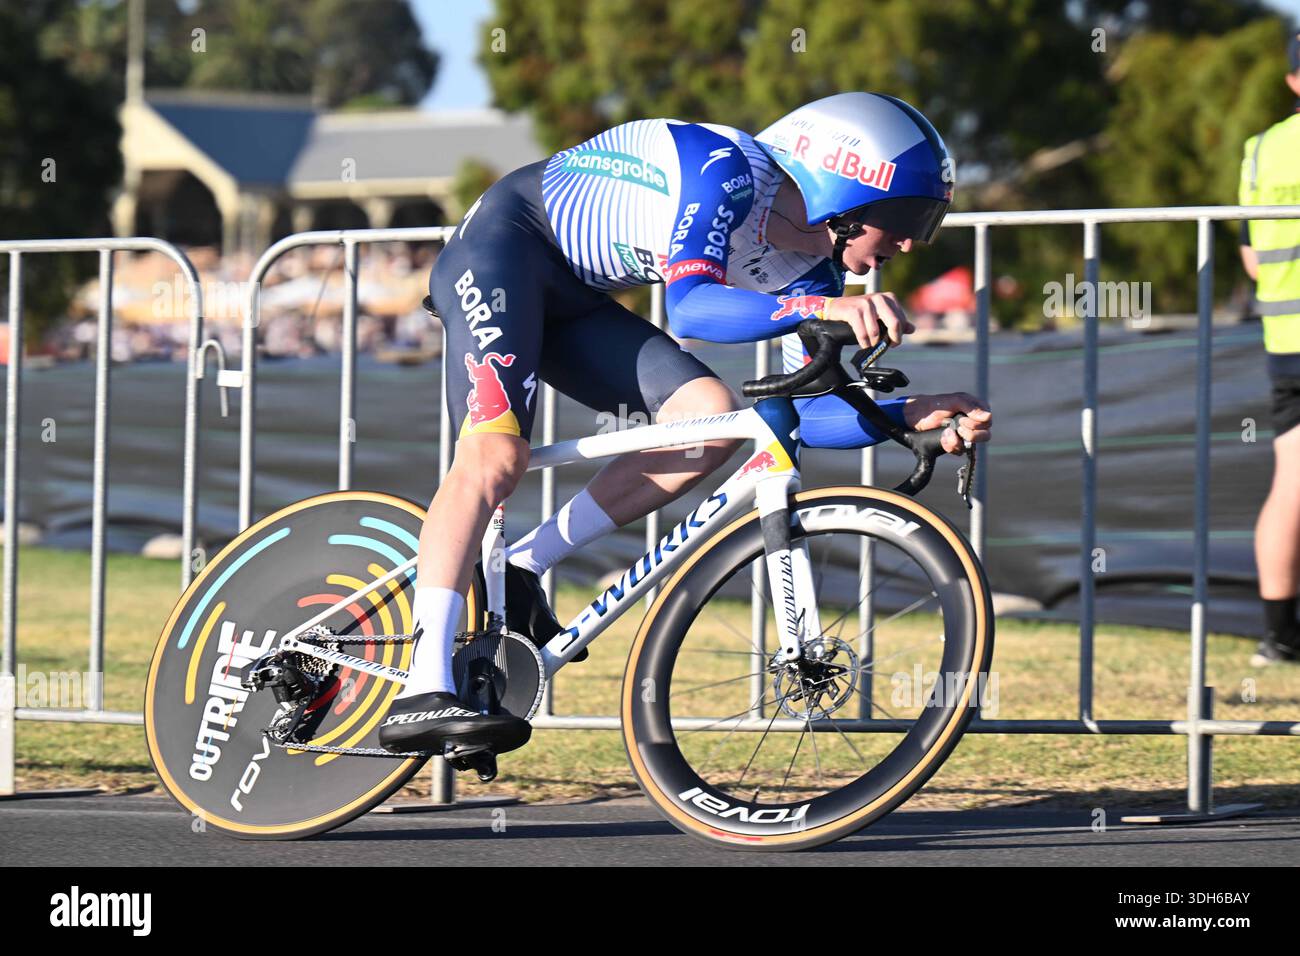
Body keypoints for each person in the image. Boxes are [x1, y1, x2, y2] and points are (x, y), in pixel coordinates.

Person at [380, 92, 993, 755]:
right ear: (845, 184)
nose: (909, 242)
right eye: (905, 217)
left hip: (576, 299)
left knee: (711, 421)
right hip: (502, 249)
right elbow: (692, 310)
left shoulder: (812, 266)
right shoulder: (724, 169)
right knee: (497, 458)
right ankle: (421, 685)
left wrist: (909, 416)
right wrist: (822, 309)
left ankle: (525, 565)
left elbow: (803, 412)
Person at [1240, 34, 1300, 666]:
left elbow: (1252, 260)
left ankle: (1279, 636)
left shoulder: (1260, 151)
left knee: (1291, 483)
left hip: (1286, 338)